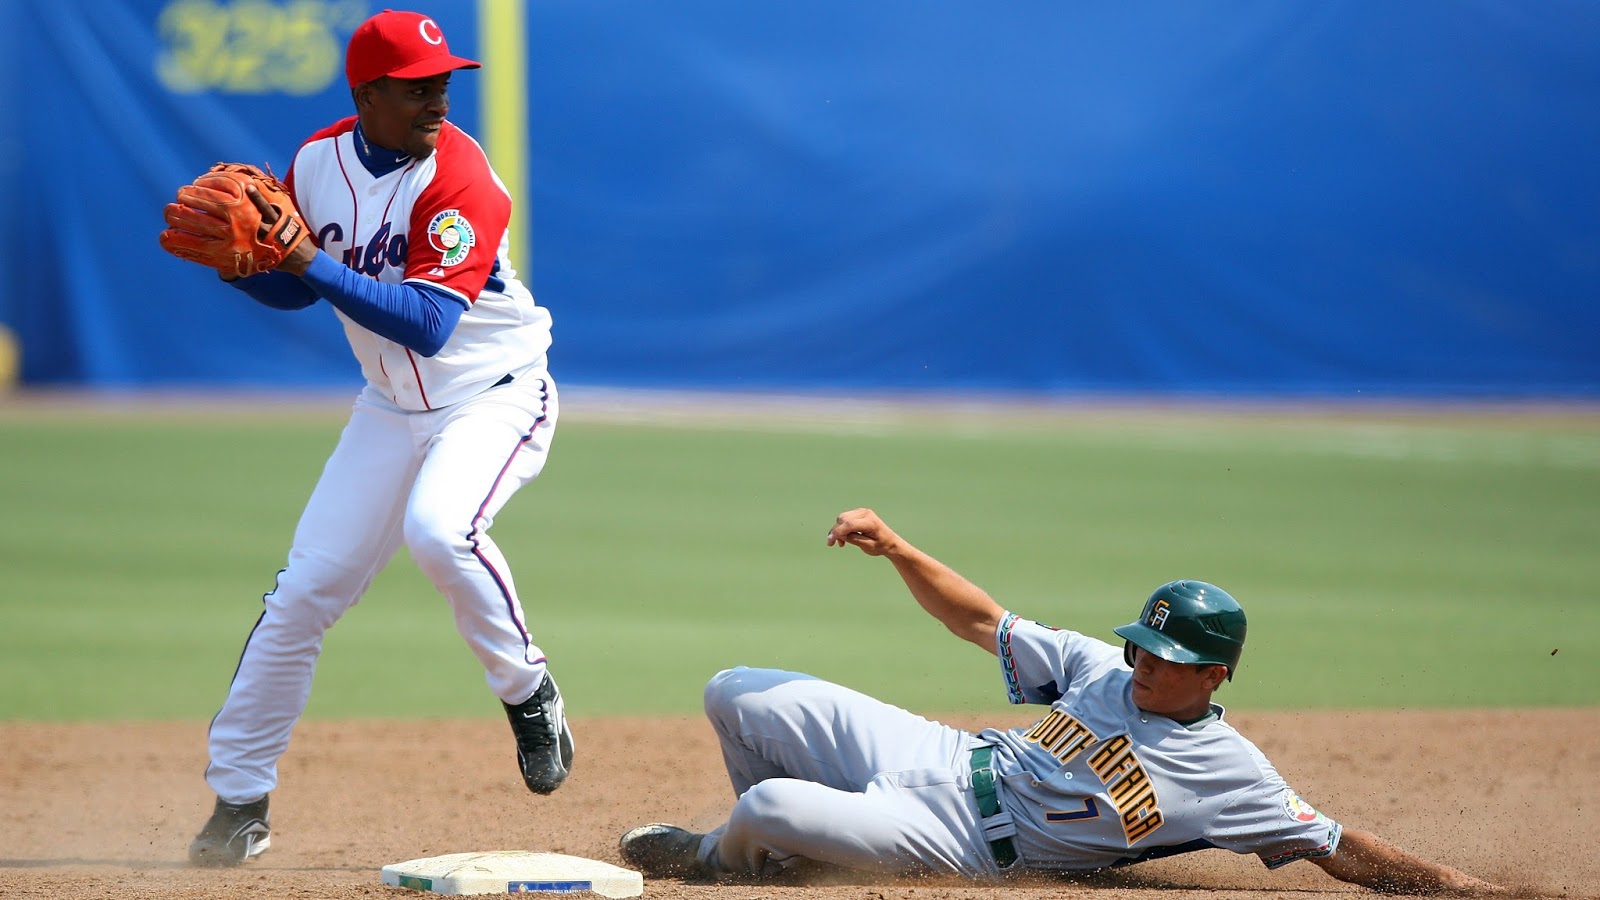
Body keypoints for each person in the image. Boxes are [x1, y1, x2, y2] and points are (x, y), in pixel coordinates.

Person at [162, 10, 573, 867]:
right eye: (418, 85)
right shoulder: (317, 160)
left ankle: (528, 689)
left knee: (440, 531)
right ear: (367, 93)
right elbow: (302, 285)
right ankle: (238, 803)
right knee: (303, 592)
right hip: (388, 407)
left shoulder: (462, 176)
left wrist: (303, 258)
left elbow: (425, 324)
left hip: (492, 395)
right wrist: (251, 268)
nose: (438, 97)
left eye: (444, 82)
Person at [618, 508, 1504, 895]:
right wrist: (895, 547)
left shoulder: (1231, 775)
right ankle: (785, 857)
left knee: (769, 804)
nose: (1143, 663)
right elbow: (980, 621)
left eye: (1166, 657)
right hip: (942, 755)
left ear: (1214, 675)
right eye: (1142, 644)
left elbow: (1333, 845)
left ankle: (713, 858)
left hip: (973, 844)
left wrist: (1470, 889)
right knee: (736, 692)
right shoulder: (1103, 670)